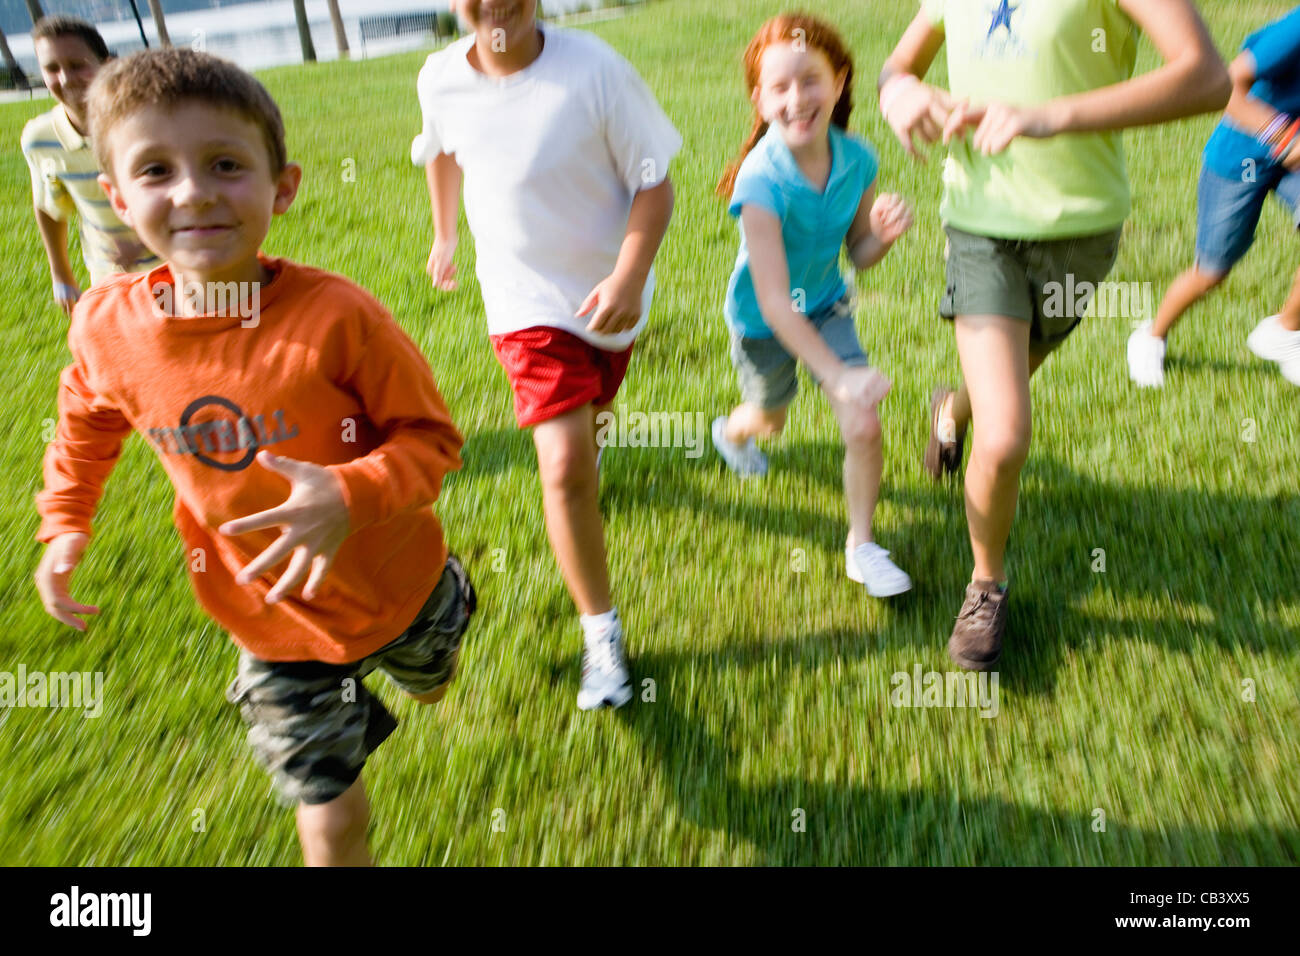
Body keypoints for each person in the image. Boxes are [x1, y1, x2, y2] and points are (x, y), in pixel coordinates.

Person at [33, 49, 472, 866]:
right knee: (327, 811)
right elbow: (84, 423)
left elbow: (433, 440)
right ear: (118, 200)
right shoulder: (106, 328)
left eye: (225, 165)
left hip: (400, 583)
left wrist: (351, 492)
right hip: (270, 620)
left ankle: (432, 661)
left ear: (284, 187)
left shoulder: (339, 317)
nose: (193, 191)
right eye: (156, 170)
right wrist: (64, 522)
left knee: (432, 676)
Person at [879, 0, 1229, 669]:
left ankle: (948, 410)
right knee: (1006, 433)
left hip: (1081, 234)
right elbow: (899, 63)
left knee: (998, 387)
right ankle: (987, 585)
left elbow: (1207, 78)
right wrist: (899, 89)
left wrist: (1049, 117)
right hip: (982, 229)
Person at [412, 0, 679, 709]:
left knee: (586, 440)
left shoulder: (594, 71)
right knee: (562, 465)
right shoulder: (439, 79)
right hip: (521, 301)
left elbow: (655, 184)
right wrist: (446, 233)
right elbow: (439, 147)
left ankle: (586, 482)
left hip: (608, 295)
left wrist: (626, 276)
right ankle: (603, 634)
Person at [711, 12, 913, 598]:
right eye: (780, 86)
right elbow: (775, 303)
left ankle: (862, 546)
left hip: (826, 308)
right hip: (763, 324)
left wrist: (881, 233)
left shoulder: (858, 161)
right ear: (760, 98)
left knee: (863, 424)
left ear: (842, 80)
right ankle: (734, 433)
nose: (797, 99)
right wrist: (836, 377)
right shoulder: (760, 182)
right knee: (770, 416)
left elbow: (861, 253)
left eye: (811, 80)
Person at [1127, 5, 1300, 387]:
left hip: (1292, 160)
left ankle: (1284, 332)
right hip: (1241, 156)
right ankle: (1151, 335)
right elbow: (1225, 85)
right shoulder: (1296, 30)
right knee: (1211, 271)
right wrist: (1284, 136)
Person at [19, 15, 158, 316]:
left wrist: (145, 244)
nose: (66, 79)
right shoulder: (40, 139)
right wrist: (60, 274)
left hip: (182, 270)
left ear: (106, 66)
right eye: (52, 68)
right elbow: (49, 207)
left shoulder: (151, 124)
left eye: (77, 65)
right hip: (113, 285)